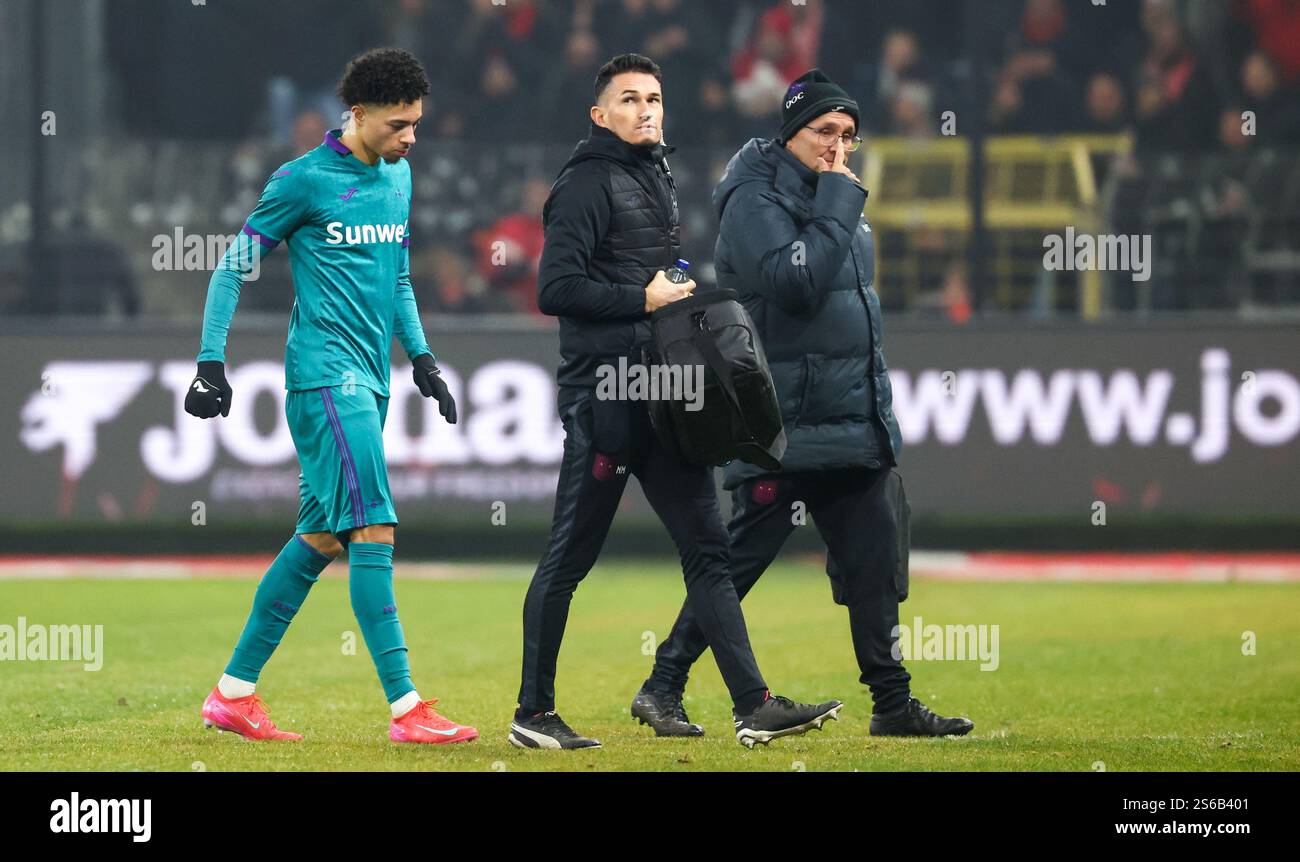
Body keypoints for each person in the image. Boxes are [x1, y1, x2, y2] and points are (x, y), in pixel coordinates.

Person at [510, 53, 842, 750]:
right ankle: (532, 715)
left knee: (708, 549)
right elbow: (555, 289)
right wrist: (644, 298)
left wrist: (674, 294)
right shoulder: (585, 182)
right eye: (629, 99)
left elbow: (649, 277)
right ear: (600, 114)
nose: (645, 109)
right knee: (570, 559)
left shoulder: (653, 172)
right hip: (607, 395)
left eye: (654, 98)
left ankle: (753, 705)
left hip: (661, 388)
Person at [636, 69, 975, 739]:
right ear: (791, 132)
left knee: (875, 563)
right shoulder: (755, 198)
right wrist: (839, 200)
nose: (837, 146)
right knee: (737, 564)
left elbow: (855, 310)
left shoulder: (831, 193)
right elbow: (798, 282)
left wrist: (874, 409)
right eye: (825, 131)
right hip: (782, 424)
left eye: (848, 135)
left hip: (848, 420)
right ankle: (663, 684)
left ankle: (892, 703)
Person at [186, 48, 476, 745]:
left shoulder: (398, 176)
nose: (411, 137)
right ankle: (406, 709)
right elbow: (231, 269)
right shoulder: (303, 180)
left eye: (416, 124)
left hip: (372, 380)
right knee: (374, 526)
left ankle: (232, 694)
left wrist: (423, 358)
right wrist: (209, 362)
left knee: (319, 539)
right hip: (325, 379)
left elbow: (397, 277)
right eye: (399, 124)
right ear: (358, 113)